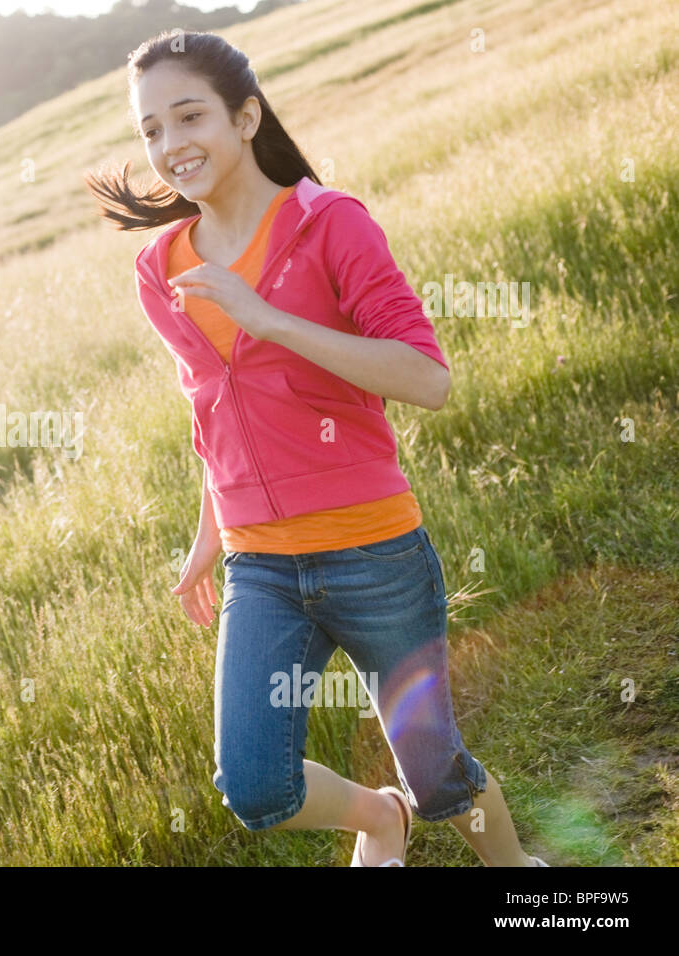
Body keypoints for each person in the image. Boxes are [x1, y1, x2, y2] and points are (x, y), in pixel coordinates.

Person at [84, 30, 546, 866]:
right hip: (261, 567)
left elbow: (426, 378)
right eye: (151, 129)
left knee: (438, 775)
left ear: (245, 115)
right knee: (255, 786)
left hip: (374, 551)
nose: (170, 144)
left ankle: (522, 877)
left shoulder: (329, 223)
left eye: (189, 116)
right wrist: (208, 538)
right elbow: (217, 412)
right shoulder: (162, 269)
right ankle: (379, 819)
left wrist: (266, 319)